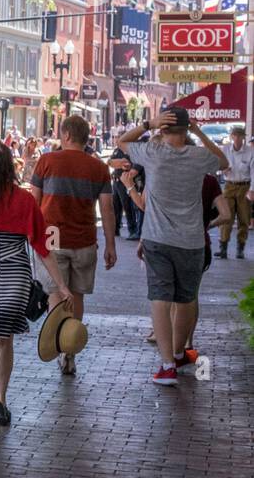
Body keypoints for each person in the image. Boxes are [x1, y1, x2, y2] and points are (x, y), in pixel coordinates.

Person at [0, 143, 71, 439]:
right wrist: (60, 285)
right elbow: (43, 248)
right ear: (9, 167)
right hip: (15, 277)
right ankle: (2, 401)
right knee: (5, 341)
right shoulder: (24, 200)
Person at [117, 107, 228, 385]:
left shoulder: (152, 154)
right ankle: (180, 352)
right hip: (191, 241)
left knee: (160, 299)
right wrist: (199, 131)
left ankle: (167, 366)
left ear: (163, 129)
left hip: (157, 239)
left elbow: (122, 142)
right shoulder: (199, 156)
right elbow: (223, 161)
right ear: (186, 128)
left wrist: (147, 123)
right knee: (186, 299)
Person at [27, 115, 116, 376]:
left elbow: (35, 201)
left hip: (51, 237)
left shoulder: (47, 161)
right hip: (85, 239)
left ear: (66, 136)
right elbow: (107, 208)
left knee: (55, 293)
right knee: (77, 295)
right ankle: (70, 351)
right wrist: (110, 244)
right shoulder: (99, 167)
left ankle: (57, 346)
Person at [217, 124, 252, 258]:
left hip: (245, 186)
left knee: (244, 218)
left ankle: (240, 248)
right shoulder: (225, 149)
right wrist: (222, 170)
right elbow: (217, 164)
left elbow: (253, 171)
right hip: (229, 186)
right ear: (231, 137)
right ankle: (223, 247)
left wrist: (252, 190)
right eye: (235, 135)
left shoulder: (250, 151)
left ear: (243, 137)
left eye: (240, 136)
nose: (237, 138)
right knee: (226, 217)